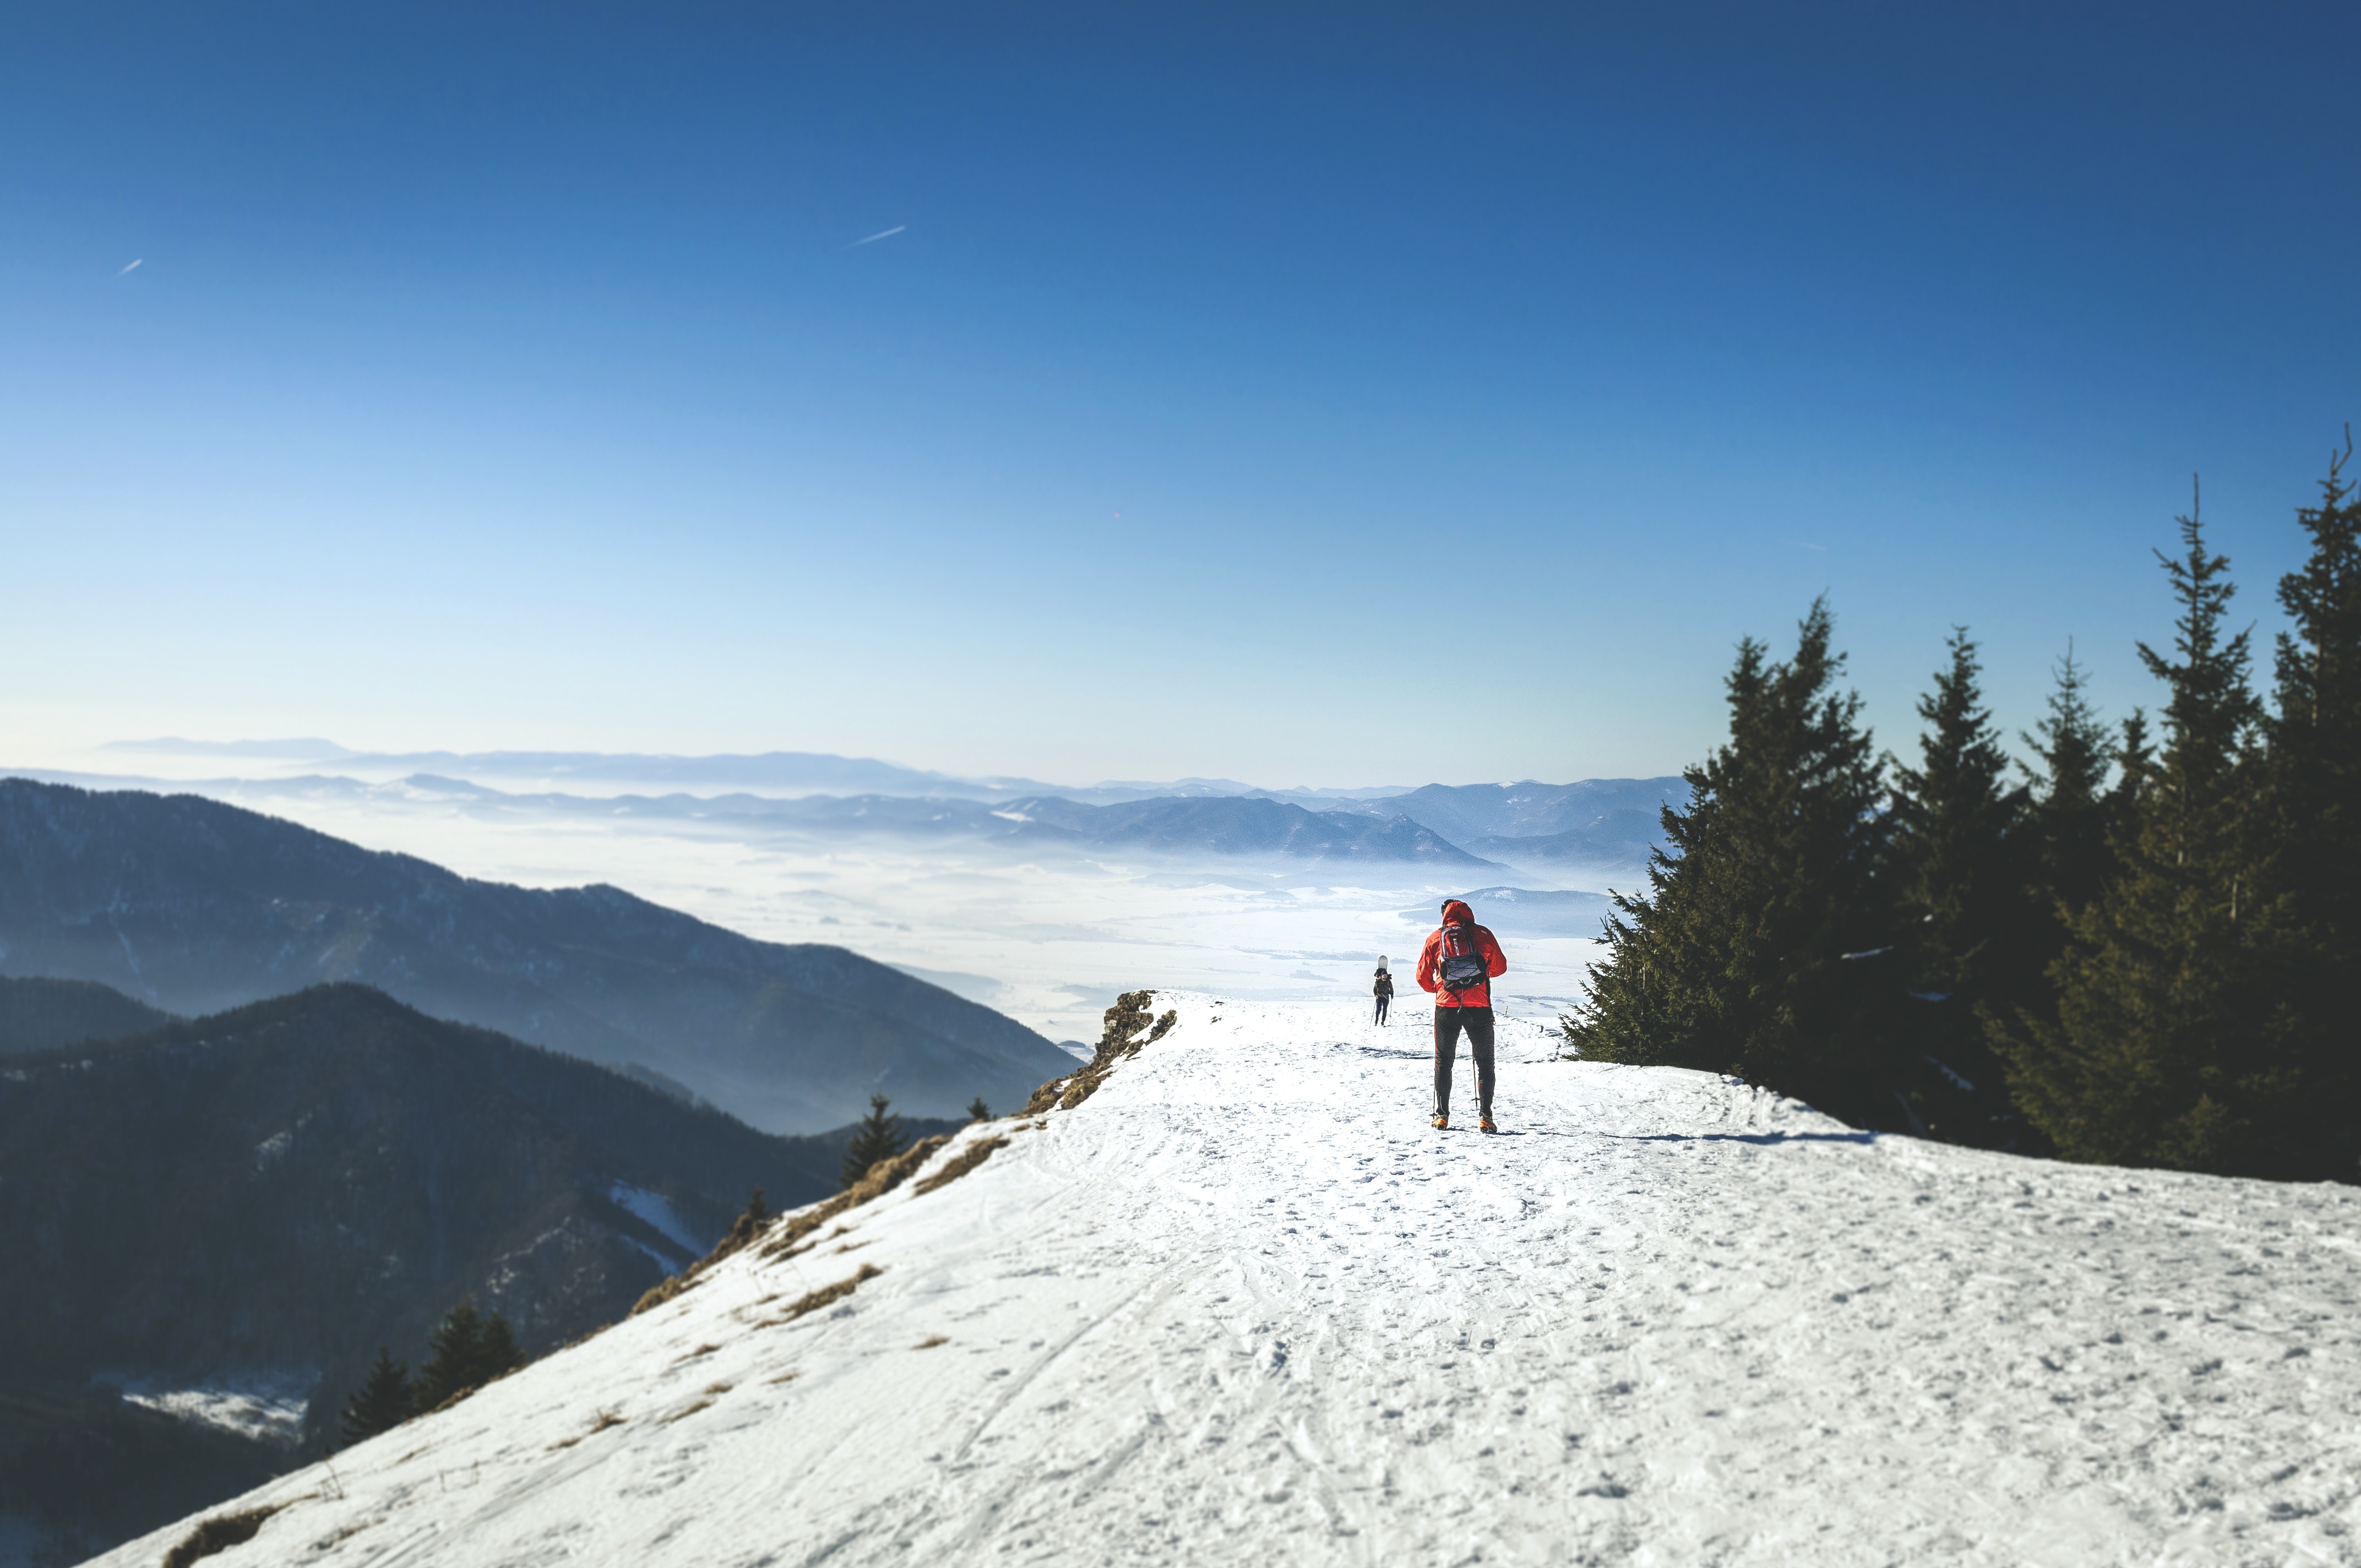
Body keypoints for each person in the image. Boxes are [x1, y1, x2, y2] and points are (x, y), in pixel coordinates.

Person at [1415, 897, 1507, 1133]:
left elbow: (1423, 977)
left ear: (1444, 915)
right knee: (1485, 1063)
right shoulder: (1484, 934)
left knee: (1443, 1061)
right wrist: (1479, 974)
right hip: (1480, 1006)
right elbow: (1500, 967)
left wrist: (1440, 987)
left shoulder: (1435, 938)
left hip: (1446, 1006)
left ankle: (1442, 1116)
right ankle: (1486, 1117)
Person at [1372, 958, 1394, 1025]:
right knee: (1379, 1010)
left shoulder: (1389, 982)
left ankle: (1383, 1022)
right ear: (1381, 976)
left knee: (1385, 1010)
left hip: (1386, 998)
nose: (1385, 977)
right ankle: (1376, 1019)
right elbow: (1375, 989)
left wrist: (1392, 994)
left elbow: (1391, 989)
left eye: (1386, 976)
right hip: (1379, 997)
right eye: (1384, 976)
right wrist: (1376, 995)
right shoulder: (1378, 982)